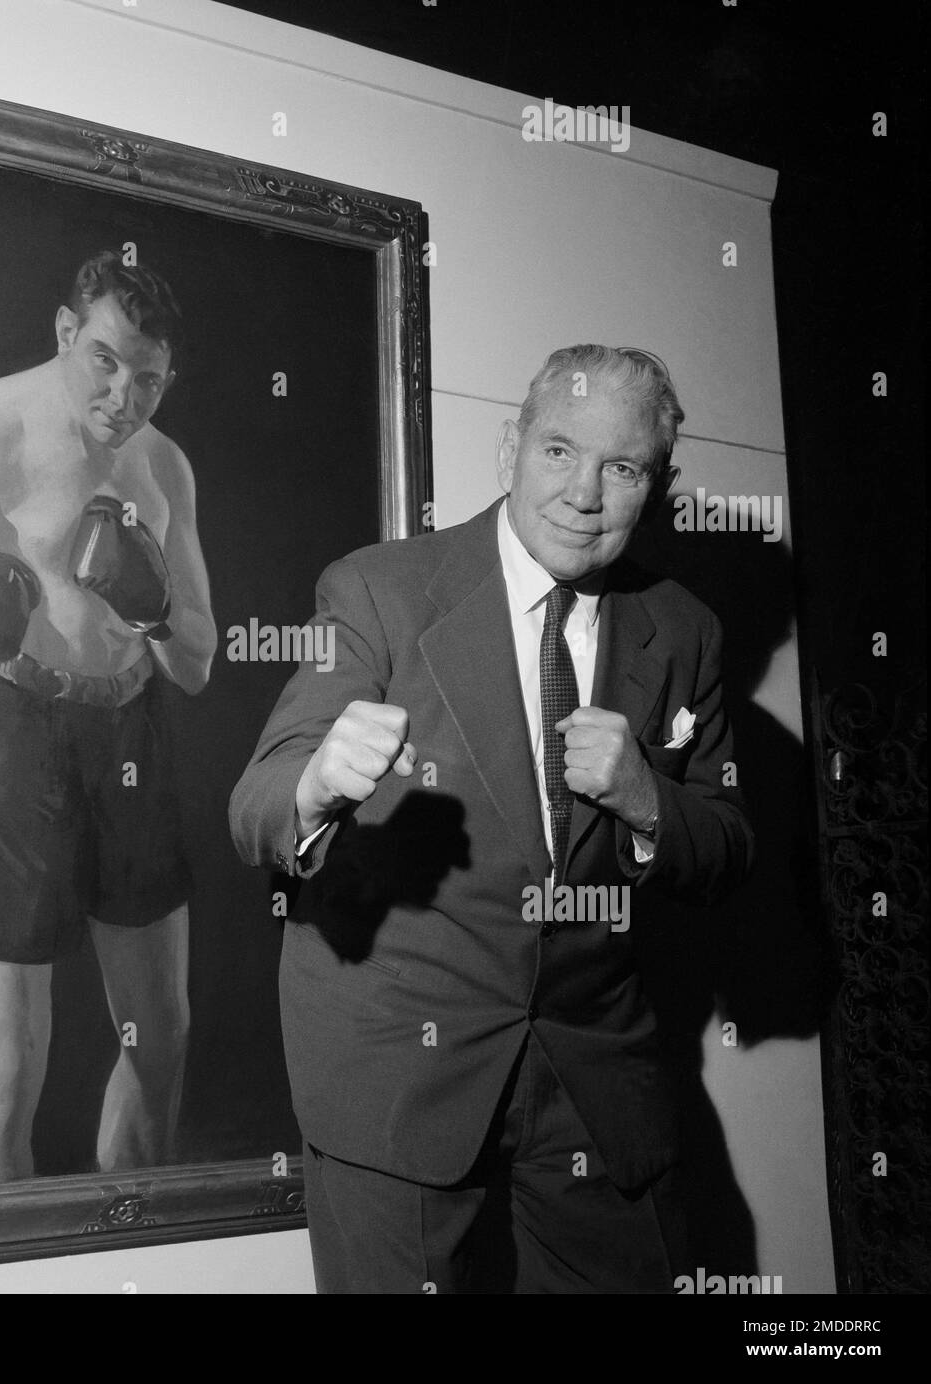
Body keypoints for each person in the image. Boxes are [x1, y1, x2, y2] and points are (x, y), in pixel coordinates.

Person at [229, 345, 753, 1293]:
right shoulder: (377, 591)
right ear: (512, 446)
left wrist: (647, 800)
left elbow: (727, 848)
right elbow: (255, 806)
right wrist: (317, 784)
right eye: (558, 451)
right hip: (398, 1073)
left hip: (594, 1075)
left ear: (659, 485)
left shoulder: (683, 630)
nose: (583, 494)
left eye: (622, 468)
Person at [0, 251, 216, 1183]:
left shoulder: (164, 467)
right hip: (19, 730)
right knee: (8, 1072)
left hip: (130, 732)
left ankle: (132, 1261)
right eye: (103, 361)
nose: (123, 394)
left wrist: (155, 608)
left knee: (162, 1043)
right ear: (66, 335)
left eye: (148, 377)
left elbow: (198, 665)